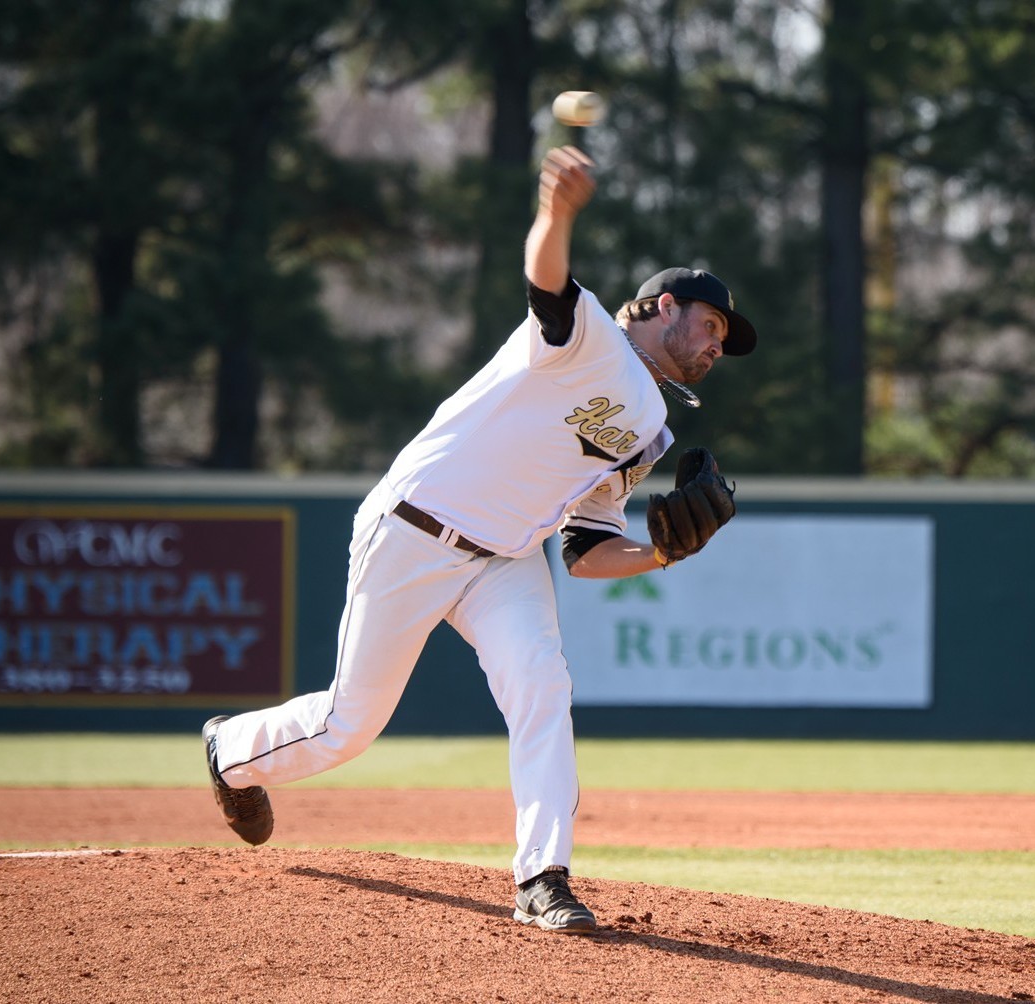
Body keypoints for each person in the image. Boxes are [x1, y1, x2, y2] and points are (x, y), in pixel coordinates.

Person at [200, 145, 755, 934]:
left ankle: (542, 878)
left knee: (542, 686)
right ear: (661, 306)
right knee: (348, 724)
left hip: (505, 558)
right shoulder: (587, 334)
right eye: (708, 325)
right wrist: (555, 214)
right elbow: (547, 281)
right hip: (413, 529)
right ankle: (233, 750)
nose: (712, 347)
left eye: (721, 341)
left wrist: (662, 552)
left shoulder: (651, 431)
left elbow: (587, 550)